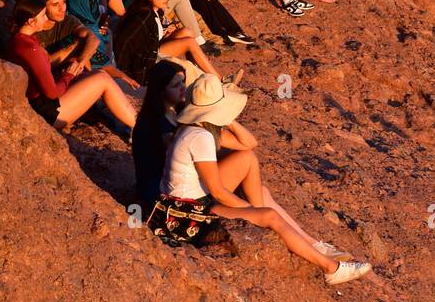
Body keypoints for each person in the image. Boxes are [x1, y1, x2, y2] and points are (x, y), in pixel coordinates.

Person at [151, 74, 371, 284]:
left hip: (187, 201)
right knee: (269, 215)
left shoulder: (194, 128)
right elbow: (217, 193)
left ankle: (306, 241)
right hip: (185, 215)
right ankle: (331, 269)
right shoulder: (200, 137)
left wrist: (228, 120)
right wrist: (252, 211)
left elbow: (249, 145)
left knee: (248, 163)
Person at [7, 0, 137, 132]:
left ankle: (135, 123)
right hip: (48, 112)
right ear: (30, 21)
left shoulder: (18, 40)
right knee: (103, 79)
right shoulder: (32, 49)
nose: (46, 19)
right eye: (43, 15)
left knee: (100, 74)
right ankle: (140, 127)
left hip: (39, 103)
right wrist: (68, 75)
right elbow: (52, 92)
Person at [132, 60, 189, 212]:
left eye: (183, 82)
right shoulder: (157, 123)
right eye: (175, 85)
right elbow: (181, 158)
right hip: (158, 193)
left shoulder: (176, 113)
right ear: (161, 91)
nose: (183, 88)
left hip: (168, 184)